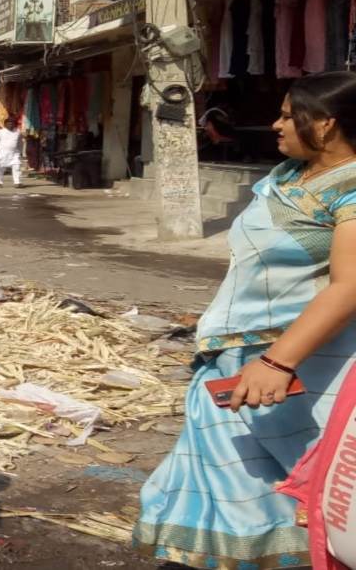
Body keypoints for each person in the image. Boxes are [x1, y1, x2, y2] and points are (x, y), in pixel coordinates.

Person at [134, 72, 356, 569]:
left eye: (287, 115)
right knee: (238, 490)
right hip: (233, 365)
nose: (275, 125)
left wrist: (278, 363)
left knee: (306, 492)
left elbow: (350, 287)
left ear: (325, 125)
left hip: (297, 372)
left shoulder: (352, 189)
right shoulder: (287, 178)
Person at [0, 118, 22, 188]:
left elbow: (20, 143)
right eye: (9, 123)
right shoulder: (0, 132)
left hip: (14, 154)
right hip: (2, 154)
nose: (10, 124)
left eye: (12, 123)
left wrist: (20, 152)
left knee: (17, 167)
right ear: (5, 124)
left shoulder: (17, 132)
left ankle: (17, 182)